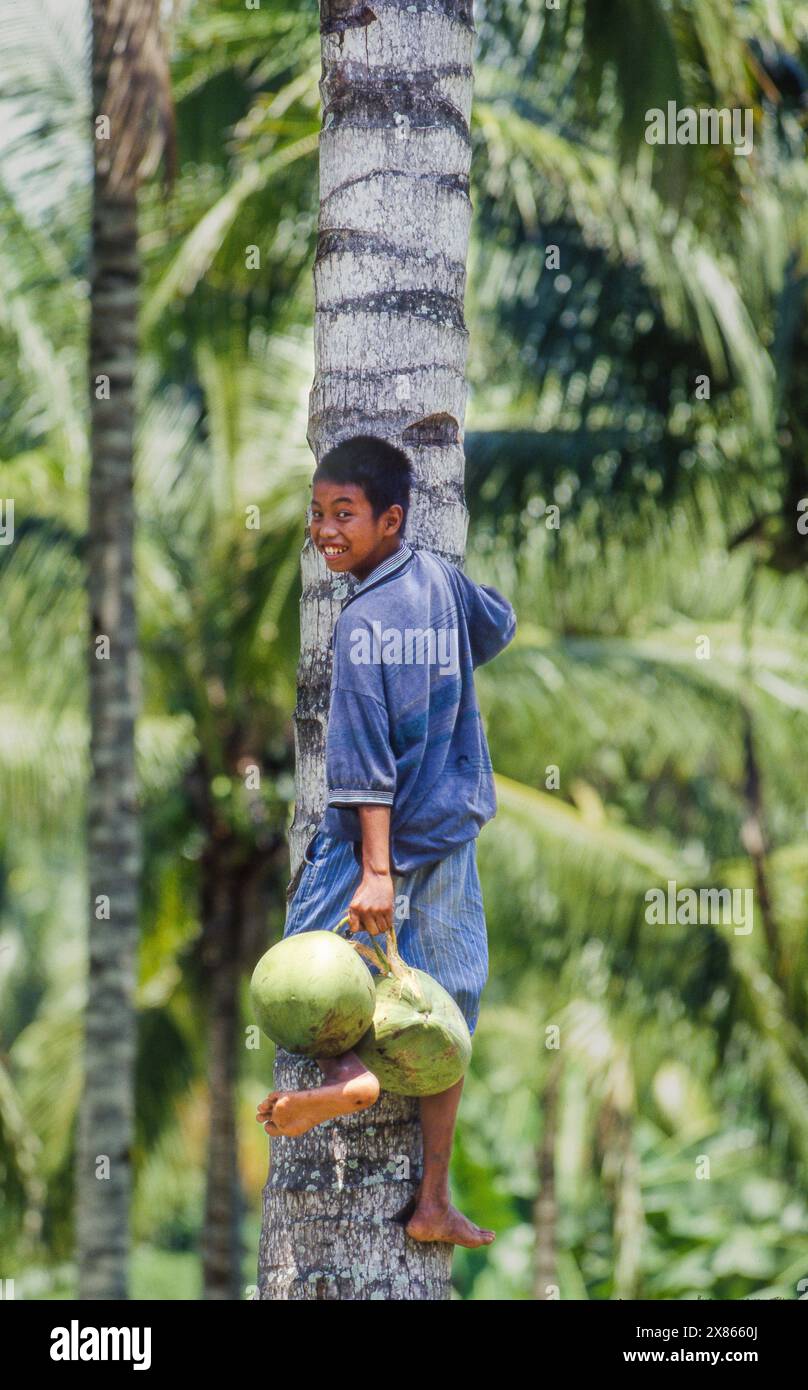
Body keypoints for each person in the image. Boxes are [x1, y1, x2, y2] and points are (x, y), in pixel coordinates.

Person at [256, 434, 517, 1248]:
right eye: (317, 513)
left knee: (311, 984)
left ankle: (351, 1076)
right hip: (450, 834)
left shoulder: (363, 620)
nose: (325, 531)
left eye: (345, 515)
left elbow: (363, 766)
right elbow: (496, 624)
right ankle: (433, 1200)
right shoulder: (438, 580)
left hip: (374, 847)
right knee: (445, 1011)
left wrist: (374, 872)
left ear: (390, 520)